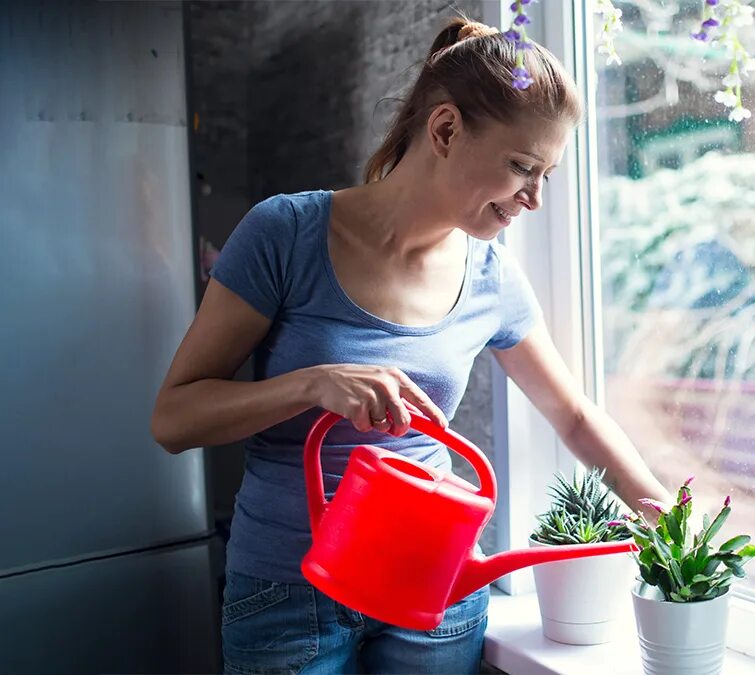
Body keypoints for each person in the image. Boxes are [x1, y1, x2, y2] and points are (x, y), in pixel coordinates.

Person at [151, 17, 671, 675]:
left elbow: (571, 413)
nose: (535, 198)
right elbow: (173, 419)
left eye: (548, 175)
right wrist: (311, 383)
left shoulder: (493, 277)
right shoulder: (285, 234)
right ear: (446, 130)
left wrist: (659, 503)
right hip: (287, 595)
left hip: (436, 596)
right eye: (521, 167)